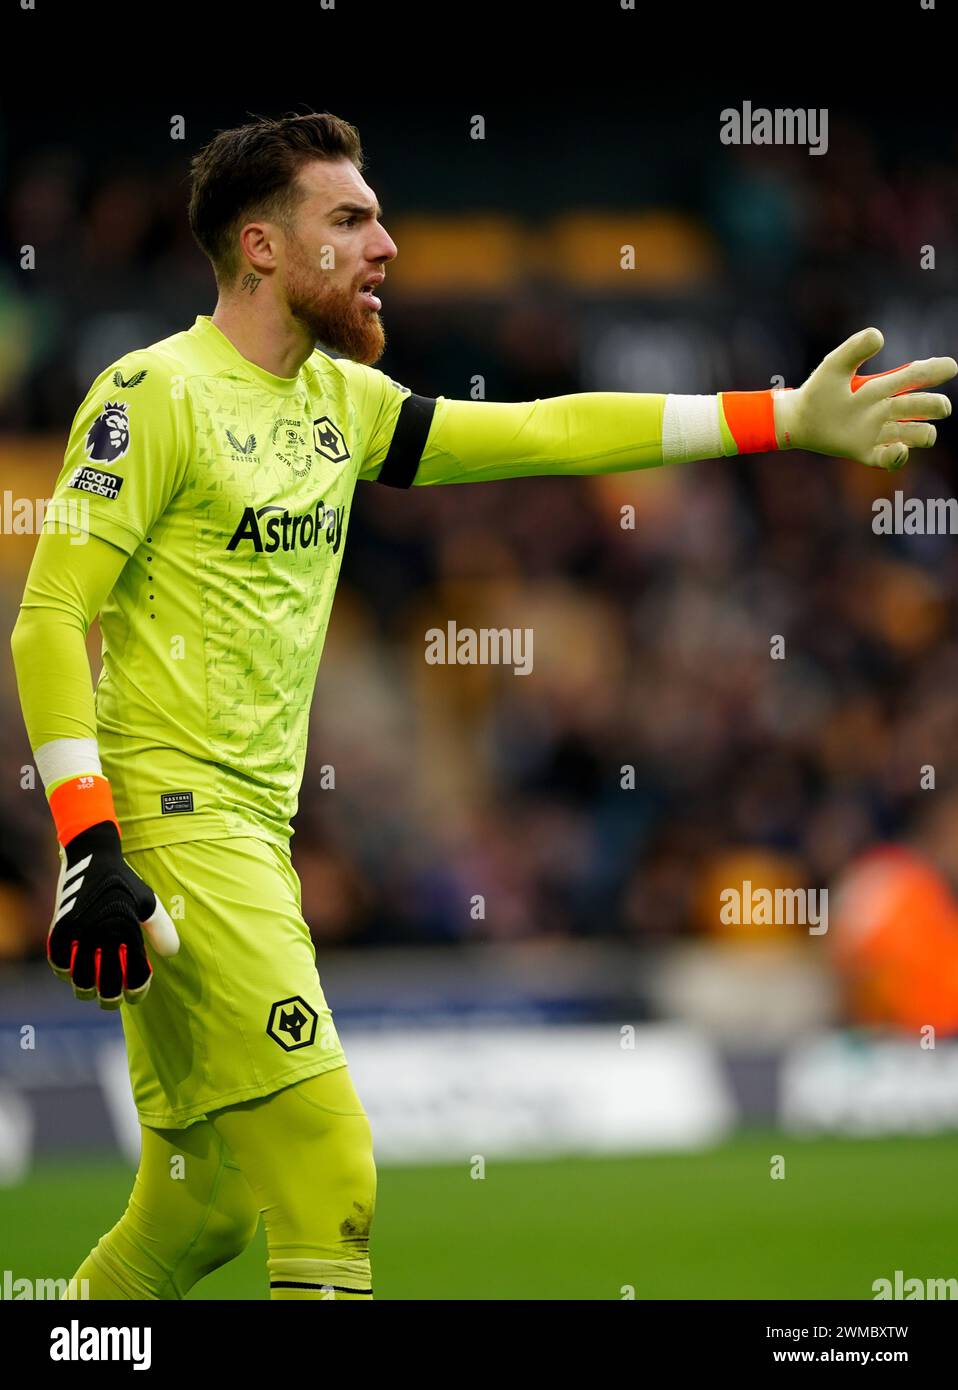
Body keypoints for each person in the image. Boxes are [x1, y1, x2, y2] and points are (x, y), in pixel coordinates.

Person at [9, 110, 955, 1302]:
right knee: (330, 1175)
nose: (385, 244)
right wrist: (88, 839)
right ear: (258, 247)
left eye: (381, 216)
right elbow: (49, 617)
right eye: (349, 220)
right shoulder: (151, 394)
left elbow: (549, 430)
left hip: (244, 834)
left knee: (195, 1210)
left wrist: (779, 417)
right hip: (172, 826)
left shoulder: (340, 405)